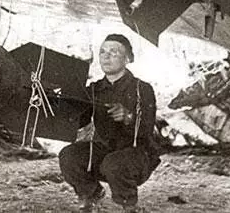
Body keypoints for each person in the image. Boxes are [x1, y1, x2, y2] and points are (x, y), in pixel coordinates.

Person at [59, 34, 161, 213]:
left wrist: (128, 117)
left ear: (127, 58)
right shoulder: (94, 90)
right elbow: (78, 121)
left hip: (138, 154)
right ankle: (91, 193)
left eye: (113, 52)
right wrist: (62, 99)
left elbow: (147, 128)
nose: (106, 57)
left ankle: (129, 206)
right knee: (69, 156)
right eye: (102, 52)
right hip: (104, 150)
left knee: (114, 163)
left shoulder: (142, 89)